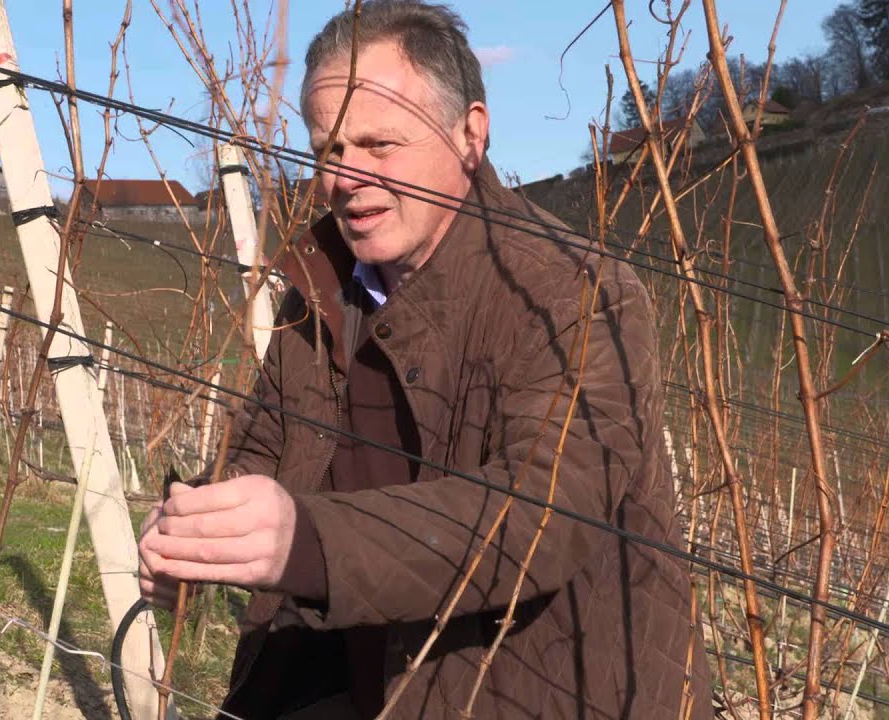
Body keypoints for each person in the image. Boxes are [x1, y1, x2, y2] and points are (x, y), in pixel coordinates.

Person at [139, 1, 711, 717]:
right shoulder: (321, 289)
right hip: (343, 675)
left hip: (523, 690)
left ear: (470, 133)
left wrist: (306, 544)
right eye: (328, 150)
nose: (346, 178)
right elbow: (263, 445)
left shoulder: (576, 294)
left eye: (379, 145)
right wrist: (202, 524)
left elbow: (538, 519)